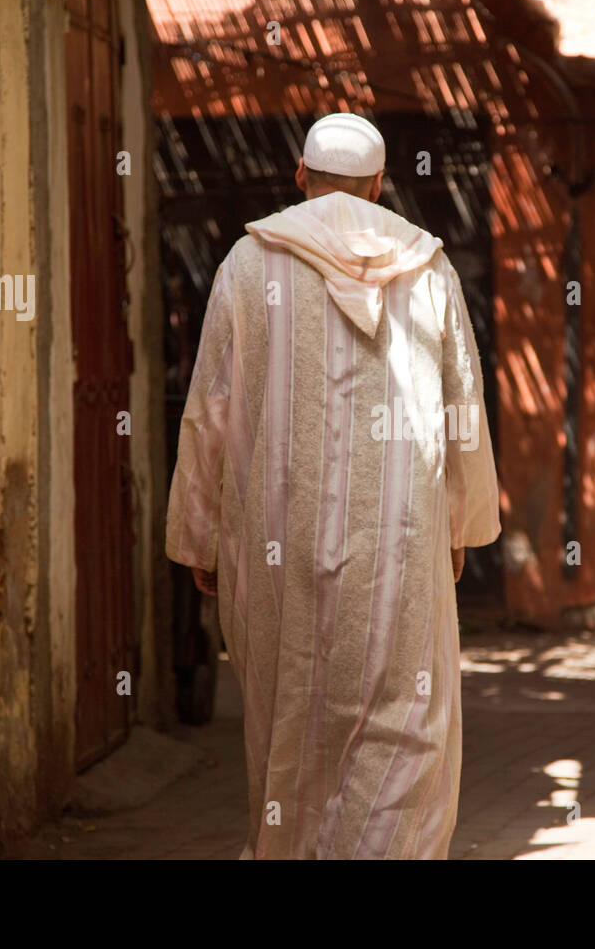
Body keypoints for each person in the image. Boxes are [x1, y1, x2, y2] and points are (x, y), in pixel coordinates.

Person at [165, 112, 500, 859]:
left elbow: (211, 411)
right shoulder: (429, 270)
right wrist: (461, 528)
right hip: (402, 550)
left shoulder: (248, 268)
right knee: (405, 739)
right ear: (380, 185)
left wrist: (200, 534)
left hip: (276, 548)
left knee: (295, 738)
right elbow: (462, 411)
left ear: (298, 176)